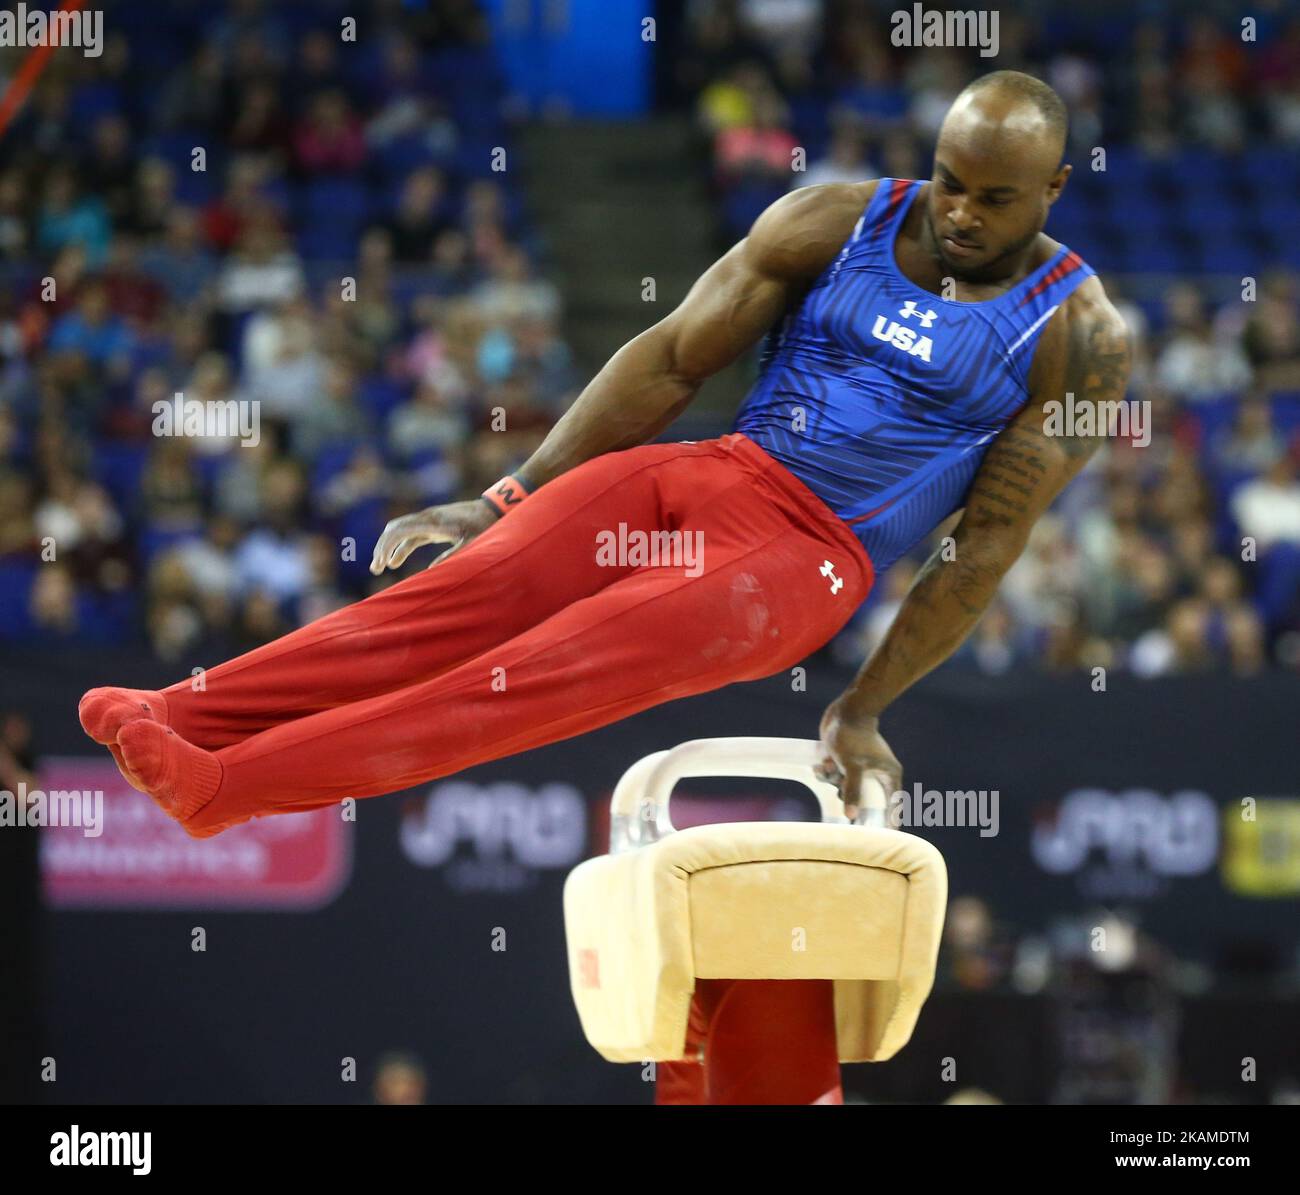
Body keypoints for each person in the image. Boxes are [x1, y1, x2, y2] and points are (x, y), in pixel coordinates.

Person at [79, 71, 1129, 838]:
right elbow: (672, 356)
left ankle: (228, 786)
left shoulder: (1079, 341)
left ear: (1055, 190)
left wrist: (863, 705)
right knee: (456, 597)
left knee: (526, 672)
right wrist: (506, 496)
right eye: (949, 181)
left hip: (801, 566)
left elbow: (984, 546)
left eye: (994, 199)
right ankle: (179, 711)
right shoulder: (832, 220)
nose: (957, 213)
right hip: (710, 470)